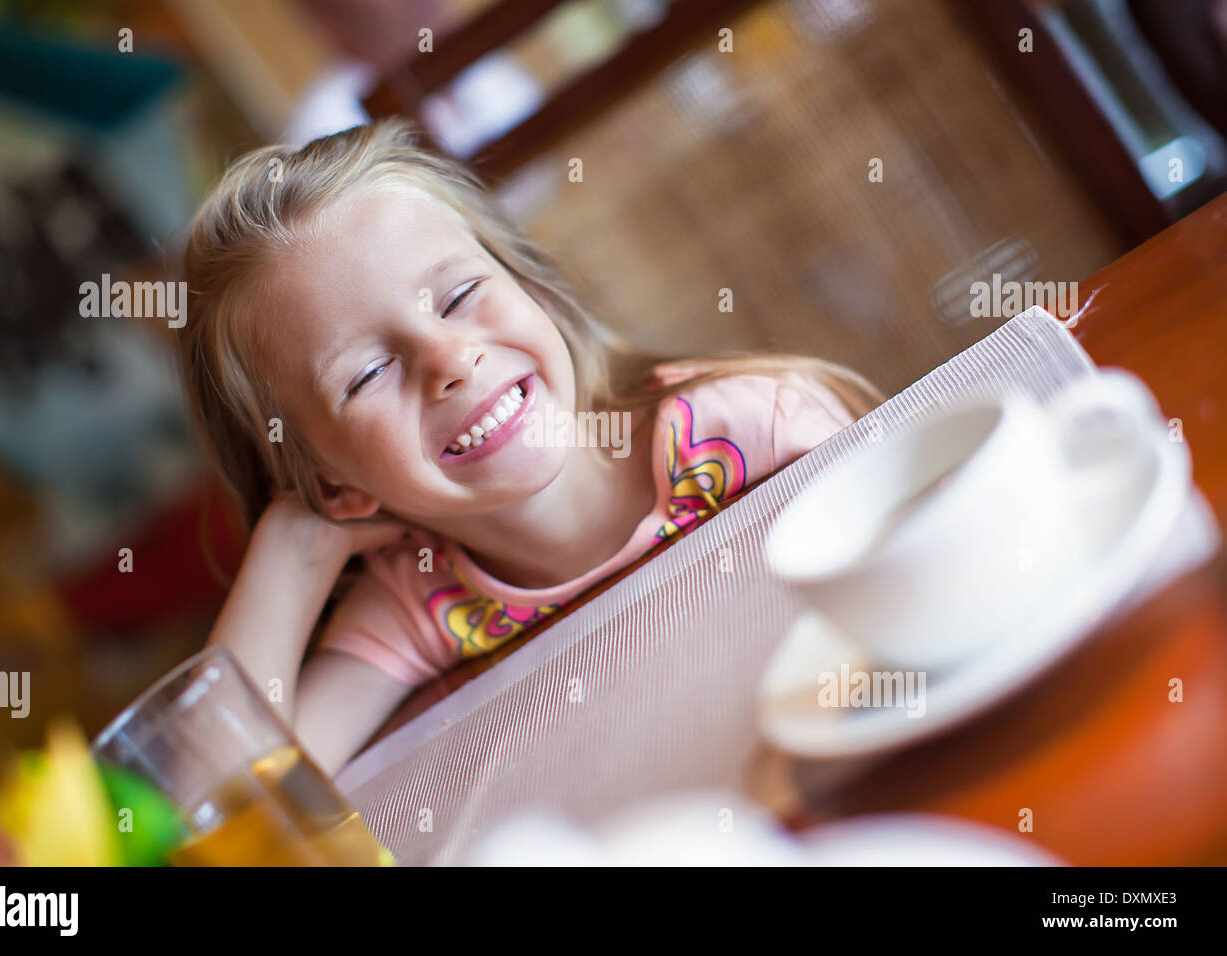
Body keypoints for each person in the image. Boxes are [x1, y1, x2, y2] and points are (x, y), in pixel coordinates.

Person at [176, 118, 884, 774]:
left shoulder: (755, 428)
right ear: (337, 484)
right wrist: (294, 542)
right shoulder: (423, 596)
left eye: (457, 297)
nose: (450, 357)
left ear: (531, 289)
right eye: (367, 374)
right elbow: (230, 791)